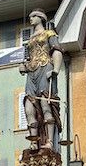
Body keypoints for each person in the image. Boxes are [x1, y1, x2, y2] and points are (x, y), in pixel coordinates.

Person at [20, 9, 64, 150]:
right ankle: (33, 142)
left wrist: (55, 69)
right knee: (29, 107)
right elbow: (27, 58)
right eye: (30, 17)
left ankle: (50, 141)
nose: (31, 19)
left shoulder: (49, 33)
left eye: (34, 16)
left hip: (45, 68)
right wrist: (24, 67)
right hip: (31, 73)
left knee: (46, 104)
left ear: (41, 18)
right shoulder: (30, 40)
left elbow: (56, 50)